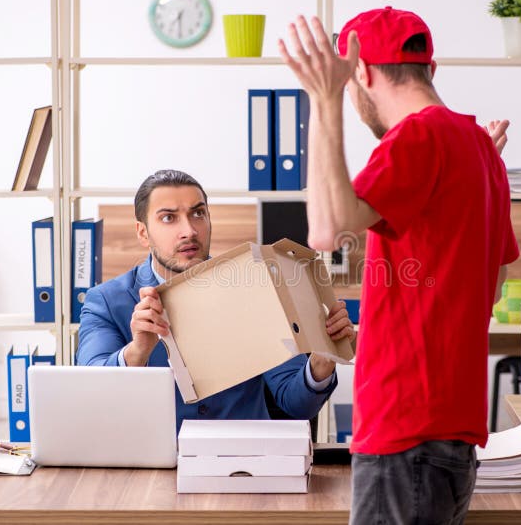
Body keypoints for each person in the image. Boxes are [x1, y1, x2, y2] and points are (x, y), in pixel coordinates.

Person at [279, 7, 517, 525]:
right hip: (452, 433)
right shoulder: (480, 149)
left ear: (360, 72)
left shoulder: (415, 138)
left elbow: (326, 230)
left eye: (347, 85)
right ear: (431, 68)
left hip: (404, 430)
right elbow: (490, 286)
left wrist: (322, 100)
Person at [76, 169, 356, 433]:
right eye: (168, 218)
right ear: (142, 233)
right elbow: (90, 395)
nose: (189, 231)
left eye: (198, 213)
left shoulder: (256, 288)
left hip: (246, 465)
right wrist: (137, 351)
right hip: (154, 469)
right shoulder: (105, 302)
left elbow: (296, 405)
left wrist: (321, 362)